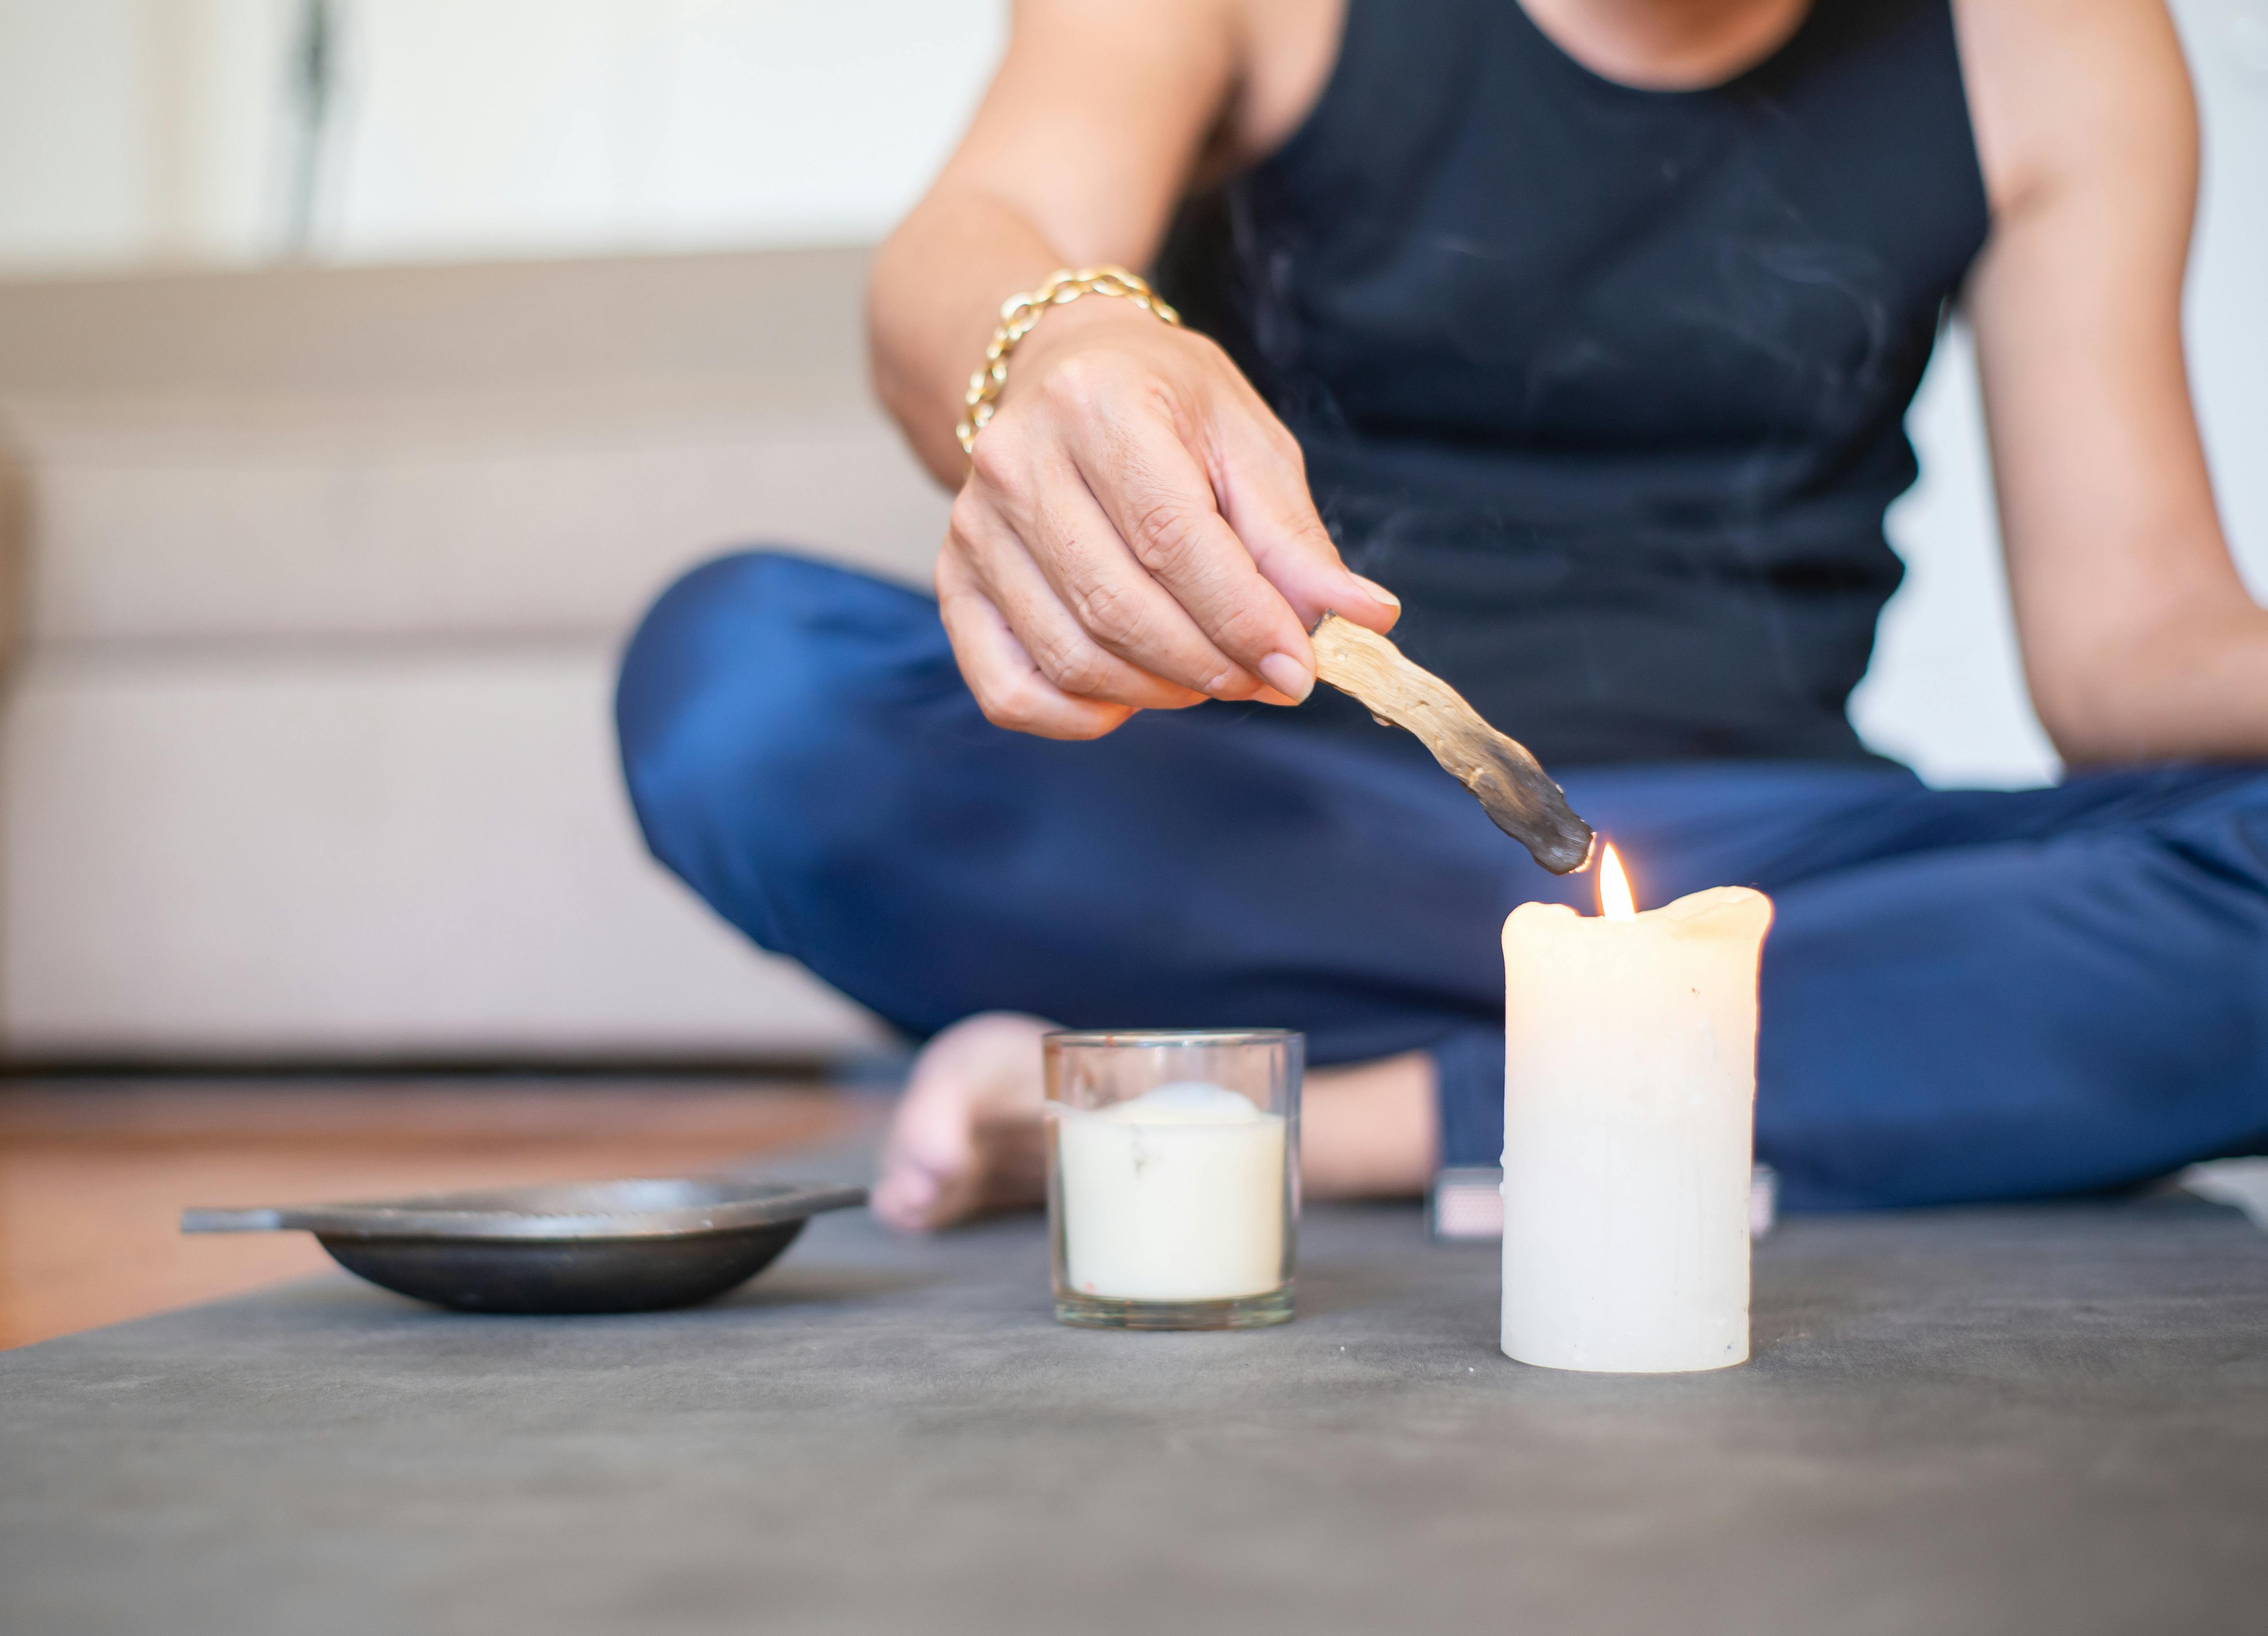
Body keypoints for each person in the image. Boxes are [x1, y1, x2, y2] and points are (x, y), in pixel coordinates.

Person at [617, 0, 2268, 1230]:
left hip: (1757, 868)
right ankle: (1792, 1063)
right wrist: (1058, 350)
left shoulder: (2056, 44)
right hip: (1271, 824)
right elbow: (974, 245)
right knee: (741, 690)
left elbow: (2130, 644)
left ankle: (1258, 1112)